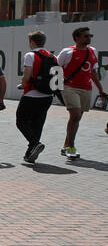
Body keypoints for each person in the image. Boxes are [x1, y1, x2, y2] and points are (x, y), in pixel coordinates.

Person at [57, 27, 104, 159]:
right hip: (69, 87)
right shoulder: (67, 52)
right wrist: (56, 87)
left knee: (75, 119)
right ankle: (71, 148)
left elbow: (93, 73)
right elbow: (56, 68)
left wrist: (100, 89)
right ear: (77, 38)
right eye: (86, 36)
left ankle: (66, 145)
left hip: (86, 89)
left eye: (90, 36)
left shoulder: (92, 51)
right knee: (76, 115)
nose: (89, 38)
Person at [17, 30, 57, 162]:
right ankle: (30, 154)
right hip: (47, 96)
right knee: (38, 124)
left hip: (31, 94)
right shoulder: (53, 57)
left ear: (32, 42)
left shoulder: (30, 55)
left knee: (21, 121)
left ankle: (35, 143)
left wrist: (23, 84)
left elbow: (27, 75)